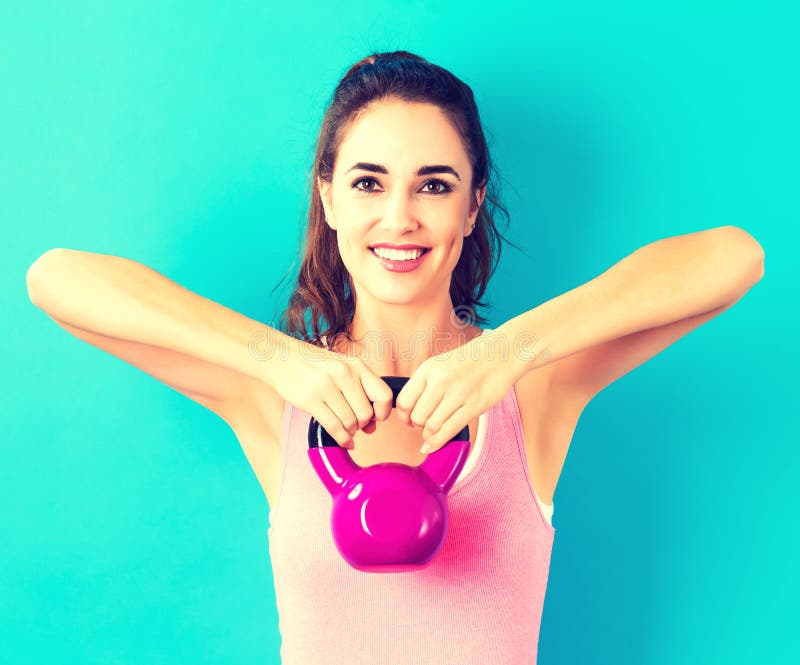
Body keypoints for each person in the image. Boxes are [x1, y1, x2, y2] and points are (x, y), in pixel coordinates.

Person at [26, 50, 765, 665]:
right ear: (329, 199)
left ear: (472, 206)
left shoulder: (532, 390)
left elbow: (736, 258)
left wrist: (508, 351)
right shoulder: (276, 395)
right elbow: (54, 278)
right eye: (368, 183)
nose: (399, 217)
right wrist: (276, 357)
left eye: (434, 185)